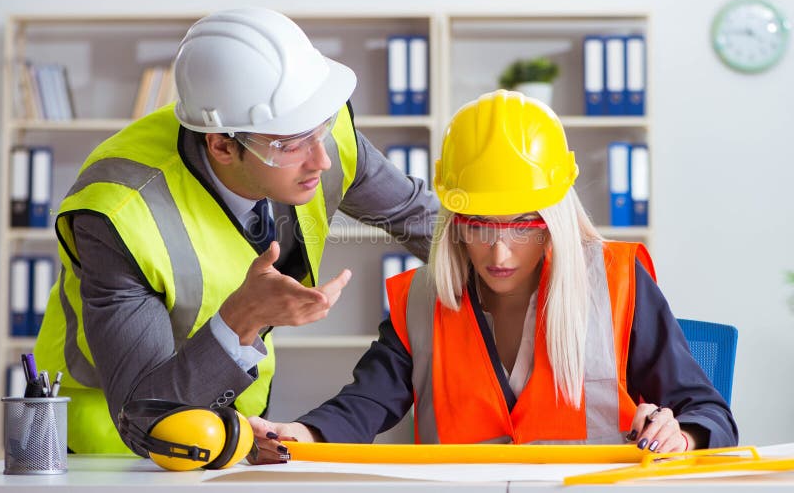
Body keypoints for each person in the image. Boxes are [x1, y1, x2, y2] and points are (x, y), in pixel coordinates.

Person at [248, 90, 738, 462]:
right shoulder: (424, 298)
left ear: (553, 221)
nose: (499, 251)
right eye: (479, 225)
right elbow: (365, 403)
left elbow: (709, 414)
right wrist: (304, 434)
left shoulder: (619, 282)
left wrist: (683, 433)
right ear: (455, 220)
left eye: (522, 226)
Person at [33, 7, 438, 455]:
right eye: (290, 144)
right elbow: (143, 417)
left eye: (319, 129)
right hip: (110, 449)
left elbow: (428, 224)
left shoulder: (313, 128)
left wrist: (518, 246)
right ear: (223, 145)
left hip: (236, 421)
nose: (320, 160)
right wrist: (242, 317)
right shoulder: (120, 216)